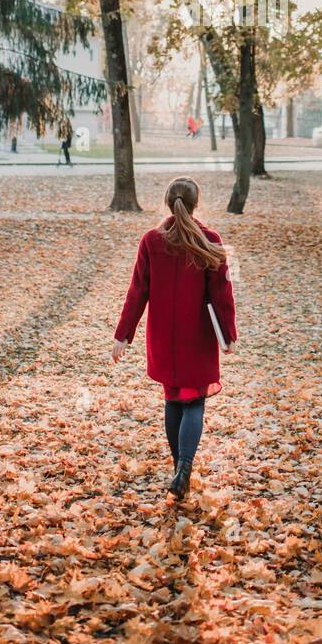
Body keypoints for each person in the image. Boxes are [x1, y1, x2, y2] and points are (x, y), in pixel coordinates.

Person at [112, 177, 237, 499]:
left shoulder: (152, 241)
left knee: (172, 400)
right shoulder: (210, 239)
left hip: (164, 335)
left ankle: (177, 469)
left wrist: (122, 336)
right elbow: (222, 294)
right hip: (199, 335)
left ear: (168, 203)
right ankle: (184, 467)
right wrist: (228, 334)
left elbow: (137, 291)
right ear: (196, 204)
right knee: (194, 400)